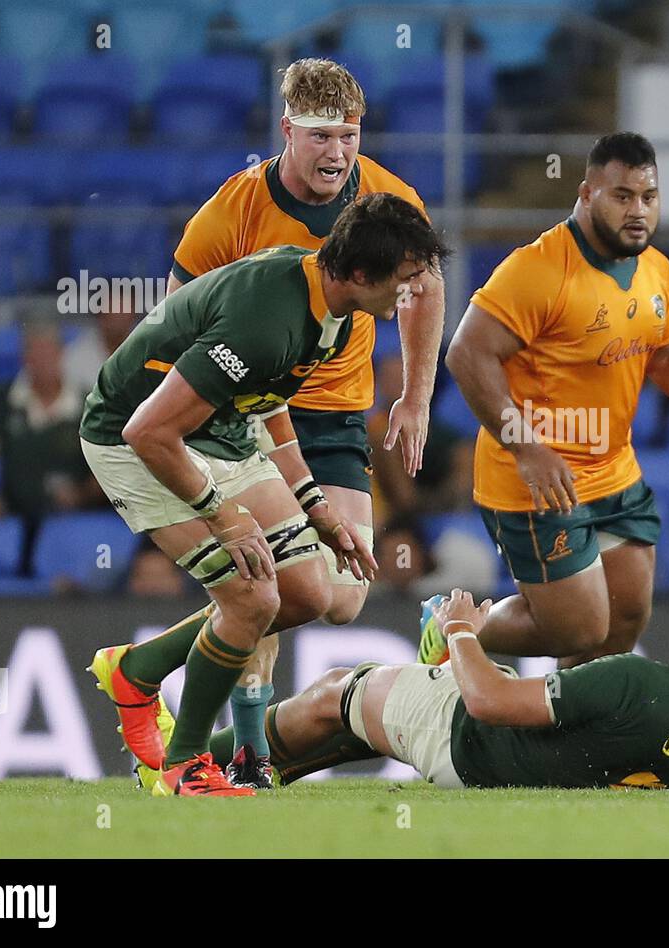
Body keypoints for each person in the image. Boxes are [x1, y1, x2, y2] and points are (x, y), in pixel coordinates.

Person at [82, 194, 444, 796]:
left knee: (307, 591)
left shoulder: (332, 308)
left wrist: (317, 507)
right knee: (251, 598)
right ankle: (186, 764)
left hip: (220, 429)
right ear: (360, 274)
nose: (410, 296)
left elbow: (268, 403)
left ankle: (138, 669)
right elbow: (147, 430)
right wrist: (223, 515)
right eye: (404, 282)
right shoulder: (267, 317)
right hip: (136, 439)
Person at [167, 57, 446, 767]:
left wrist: (414, 395)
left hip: (338, 411)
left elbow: (425, 285)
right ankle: (252, 753)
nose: (338, 152)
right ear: (286, 131)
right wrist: (199, 399)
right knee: (275, 574)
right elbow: (175, 310)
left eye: (349, 136)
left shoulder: (386, 195)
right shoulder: (234, 208)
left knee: (342, 597)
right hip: (252, 412)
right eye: (321, 136)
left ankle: (157, 665)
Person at [427, 132, 669, 669]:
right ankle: (450, 627)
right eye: (622, 196)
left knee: (623, 621)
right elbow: (466, 355)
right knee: (579, 628)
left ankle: (565, 737)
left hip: (613, 472)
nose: (638, 210)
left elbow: (661, 360)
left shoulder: (656, 269)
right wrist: (526, 446)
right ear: (587, 193)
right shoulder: (538, 270)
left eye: (648, 196)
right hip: (536, 482)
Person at [204, 583, 669, 790]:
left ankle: (197, 764)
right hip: (520, 758)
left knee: (336, 691)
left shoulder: (635, 681)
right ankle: (257, 778)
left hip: (473, 740)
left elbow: (489, 702)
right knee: (372, 724)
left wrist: (464, 632)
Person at [0, 322, 97, 527]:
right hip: (14, 512)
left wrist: (82, 495)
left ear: (61, 354)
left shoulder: (87, 402)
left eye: (48, 353)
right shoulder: (5, 398)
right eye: (35, 353)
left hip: (73, 515)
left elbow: (106, 464)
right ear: (25, 358)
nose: (42, 361)